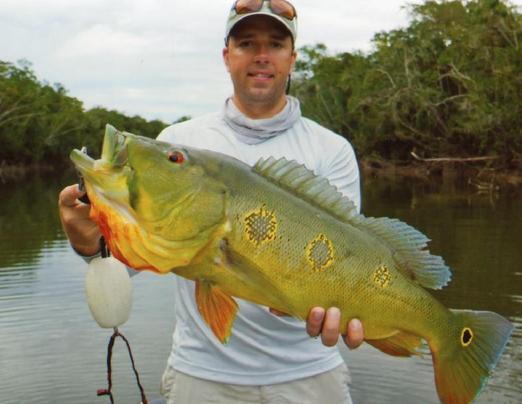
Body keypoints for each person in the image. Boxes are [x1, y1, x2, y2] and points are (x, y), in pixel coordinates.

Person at [59, 1, 364, 403]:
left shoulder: (332, 150)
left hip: (309, 373)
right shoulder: (180, 140)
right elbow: (128, 261)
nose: (261, 56)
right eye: (246, 43)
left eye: (275, 44)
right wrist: (90, 242)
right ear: (226, 56)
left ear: (292, 59)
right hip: (200, 375)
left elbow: (348, 261)